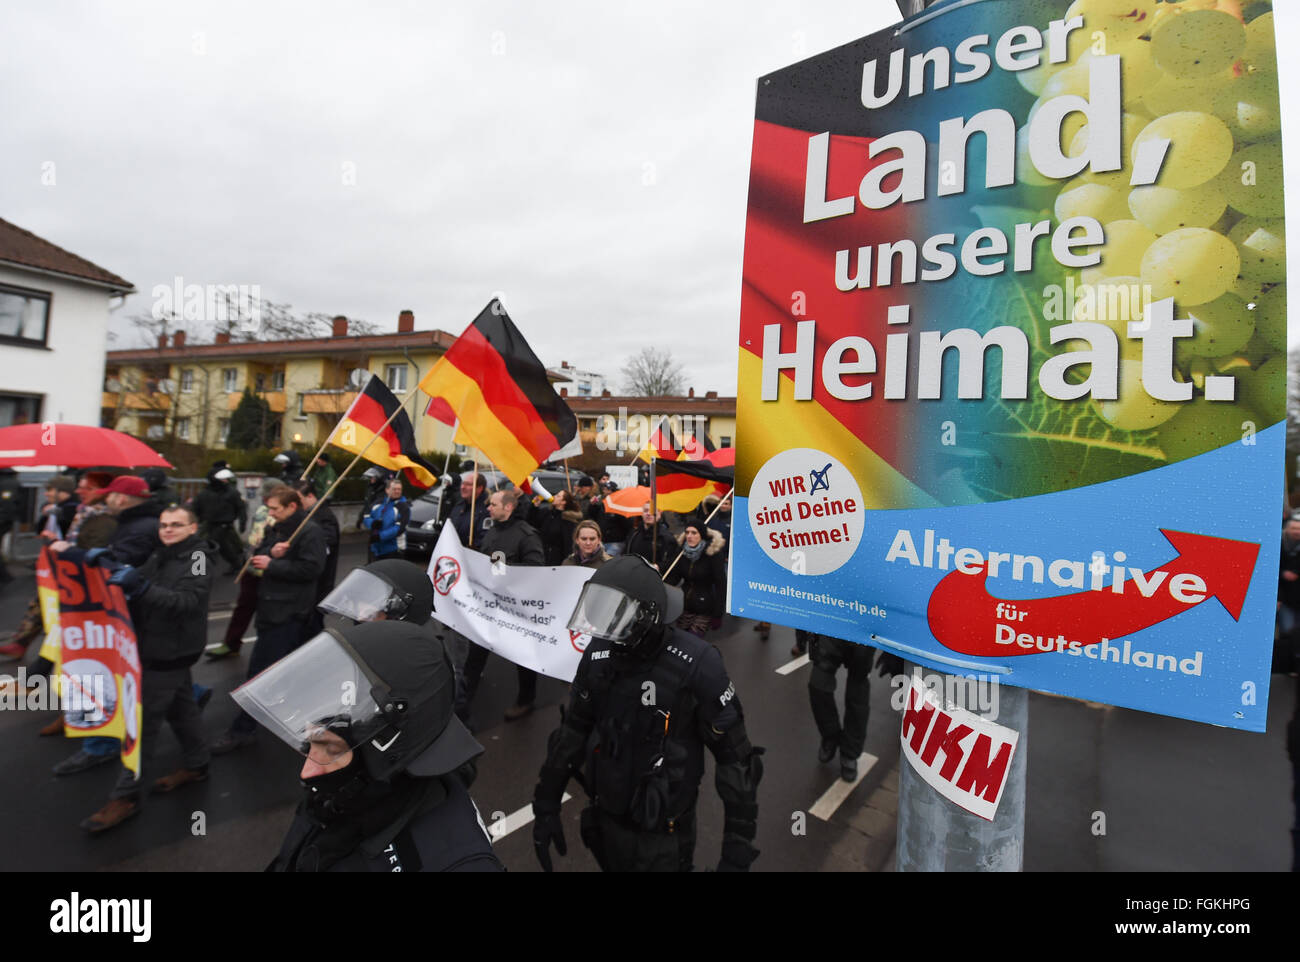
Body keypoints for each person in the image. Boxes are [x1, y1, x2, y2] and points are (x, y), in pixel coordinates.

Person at [532, 556, 763, 872]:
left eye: (615, 612)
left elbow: (736, 762)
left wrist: (737, 852)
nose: (604, 624)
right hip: (606, 821)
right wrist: (545, 803)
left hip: (663, 837)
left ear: (647, 615)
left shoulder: (697, 664)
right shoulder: (600, 655)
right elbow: (573, 730)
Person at [236, 619, 503, 872]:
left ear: (391, 748)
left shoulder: (456, 863)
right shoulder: (351, 792)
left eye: (330, 750)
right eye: (310, 744)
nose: (307, 772)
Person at [77, 505, 216, 832]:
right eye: (165, 524)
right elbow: (140, 578)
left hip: (170, 651)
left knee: (140, 727)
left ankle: (126, 797)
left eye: (177, 525)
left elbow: (187, 602)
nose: (168, 529)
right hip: (159, 648)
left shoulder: (198, 558)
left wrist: (141, 588)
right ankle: (198, 764)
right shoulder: (163, 553)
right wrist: (112, 563)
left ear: (193, 528)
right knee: (182, 711)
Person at [46, 474, 160, 774]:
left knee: (104, 674)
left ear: (121, 499)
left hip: (122, 616)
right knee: (140, 674)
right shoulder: (133, 523)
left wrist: (71, 553)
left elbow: (115, 563)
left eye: (109, 495)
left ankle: (100, 745)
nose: (104, 499)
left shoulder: (139, 528)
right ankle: (191, 696)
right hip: (123, 614)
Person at [212, 486, 327, 754]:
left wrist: (274, 564)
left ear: (291, 507)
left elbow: (312, 569)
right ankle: (299, 719)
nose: (270, 513)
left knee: (259, 675)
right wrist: (269, 553)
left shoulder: (310, 532)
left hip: (288, 613)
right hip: (271, 608)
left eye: (275, 508)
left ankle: (242, 729)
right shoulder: (277, 528)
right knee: (284, 672)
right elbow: (258, 555)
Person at [457, 488, 544, 724]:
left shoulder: (527, 535)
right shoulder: (492, 531)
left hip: (515, 609)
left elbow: (536, 569)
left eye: (493, 504)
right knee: (475, 654)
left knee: (522, 657)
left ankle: (526, 699)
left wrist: (507, 574)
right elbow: (488, 560)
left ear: (508, 507)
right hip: (488, 606)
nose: (488, 508)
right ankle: (462, 702)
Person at [206, 478, 279, 661]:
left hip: (266, 569)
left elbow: (254, 537)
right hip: (253, 566)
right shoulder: (264, 510)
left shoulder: (271, 511)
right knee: (244, 607)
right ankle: (232, 643)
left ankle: (251, 647)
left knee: (261, 611)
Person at [800, 630, 879, 782]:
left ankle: (849, 753)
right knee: (818, 685)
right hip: (831, 626)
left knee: (857, 695)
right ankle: (830, 735)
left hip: (864, 632)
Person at [663, 520, 727, 637]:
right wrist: (662, 586)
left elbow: (721, 584)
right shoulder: (682, 552)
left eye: (694, 533)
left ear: (701, 535)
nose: (689, 536)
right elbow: (675, 577)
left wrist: (718, 614)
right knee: (679, 641)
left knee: (692, 642)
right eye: (687, 532)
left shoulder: (712, 554)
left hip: (704, 607)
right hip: (685, 606)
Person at [294, 479, 340, 638]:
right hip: (309, 584)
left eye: (299, 500)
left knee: (313, 626)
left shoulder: (323, 515)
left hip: (319, 583)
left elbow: (328, 543)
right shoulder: (306, 514)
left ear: (310, 496)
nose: (296, 505)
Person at [191, 466, 246, 574]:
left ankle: (236, 564)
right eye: (223, 478)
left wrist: (242, 521)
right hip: (208, 523)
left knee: (222, 546)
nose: (226, 481)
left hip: (224, 524)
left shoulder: (231, 492)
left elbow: (240, 507)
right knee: (202, 544)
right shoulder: (204, 493)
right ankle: (199, 569)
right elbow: (195, 508)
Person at [365, 477, 410, 563]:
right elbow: (366, 516)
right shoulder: (378, 503)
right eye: (394, 489)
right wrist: (372, 523)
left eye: (399, 489)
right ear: (387, 490)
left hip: (394, 550)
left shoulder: (404, 506)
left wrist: (380, 536)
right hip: (375, 548)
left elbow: (399, 528)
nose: (397, 491)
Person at [537, 488, 582, 566]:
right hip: (542, 556)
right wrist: (534, 506)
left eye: (558, 496)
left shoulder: (567, 519)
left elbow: (568, 545)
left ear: (563, 502)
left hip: (556, 561)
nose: (554, 496)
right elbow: (534, 523)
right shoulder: (548, 513)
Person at [623, 502, 672, 569]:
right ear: (642, 514)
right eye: (646, 511)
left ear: (659, 515)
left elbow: (670, 561)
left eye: (652, 511)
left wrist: (659, 566)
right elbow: (625, 553)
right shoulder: (634, 534)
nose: (648, 514)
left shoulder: (666, 537)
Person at [446, 471, 489, 547]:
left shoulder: (487, 510)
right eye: (463, 483)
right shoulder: (459, 505)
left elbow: (485, 538)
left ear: (479, 488)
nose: (463, 487)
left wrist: (473, 546)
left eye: (468, 484)